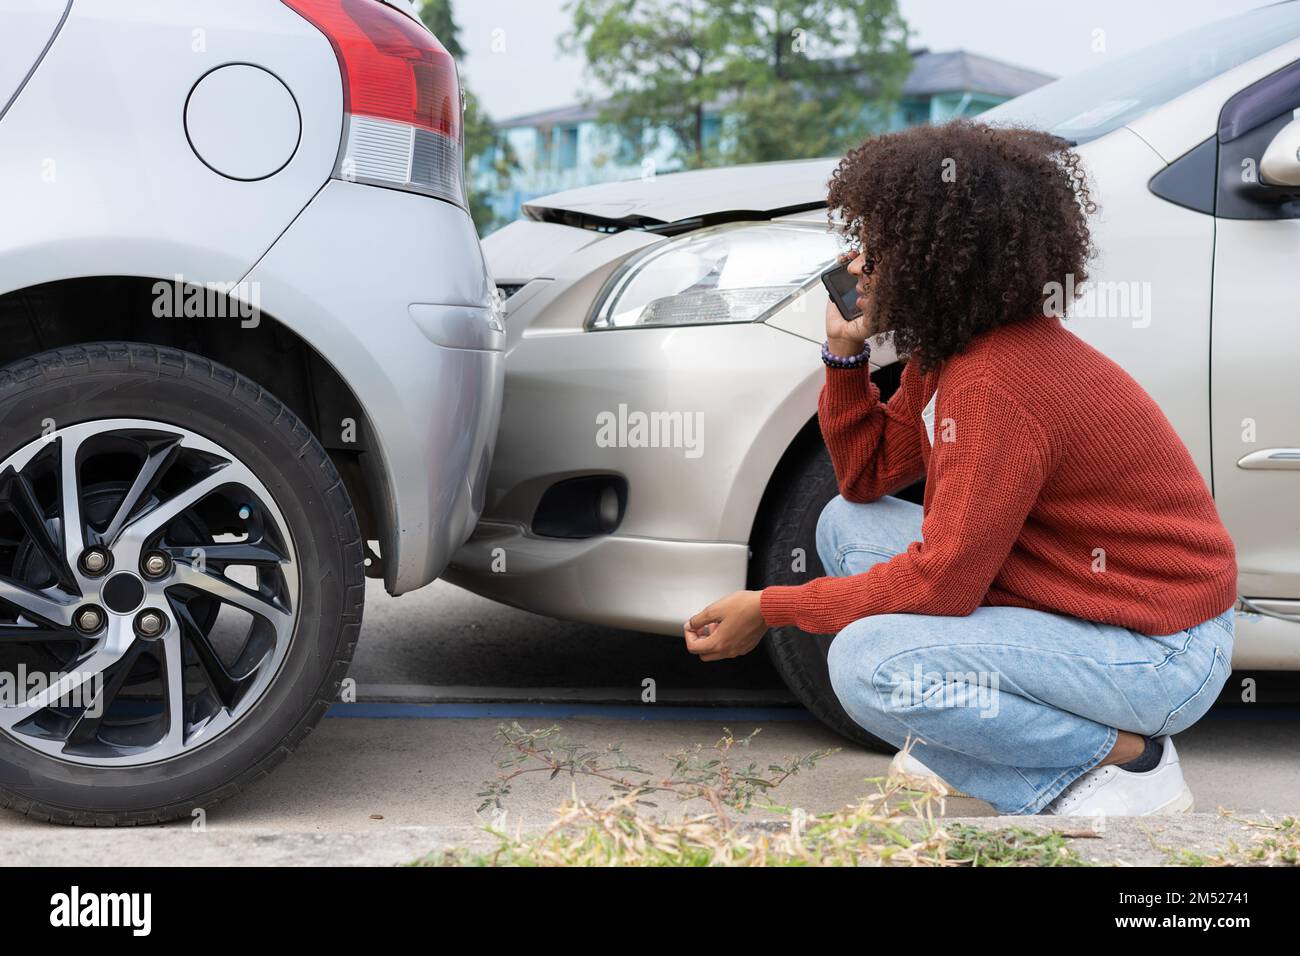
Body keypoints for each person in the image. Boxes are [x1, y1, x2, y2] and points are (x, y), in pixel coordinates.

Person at [682, 119, 1238, 817]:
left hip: (1162, 652)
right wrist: (846, 356)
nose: (860, 264)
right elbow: (866, 478)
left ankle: (1127, 765)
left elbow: (944, 582)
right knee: (844, 523)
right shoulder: (955, 353)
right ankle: (988, 745)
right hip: (1091, 604)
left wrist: (771, 607)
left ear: (936, 259)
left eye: (880, 247)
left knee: (868, 665)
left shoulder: (996, 383)